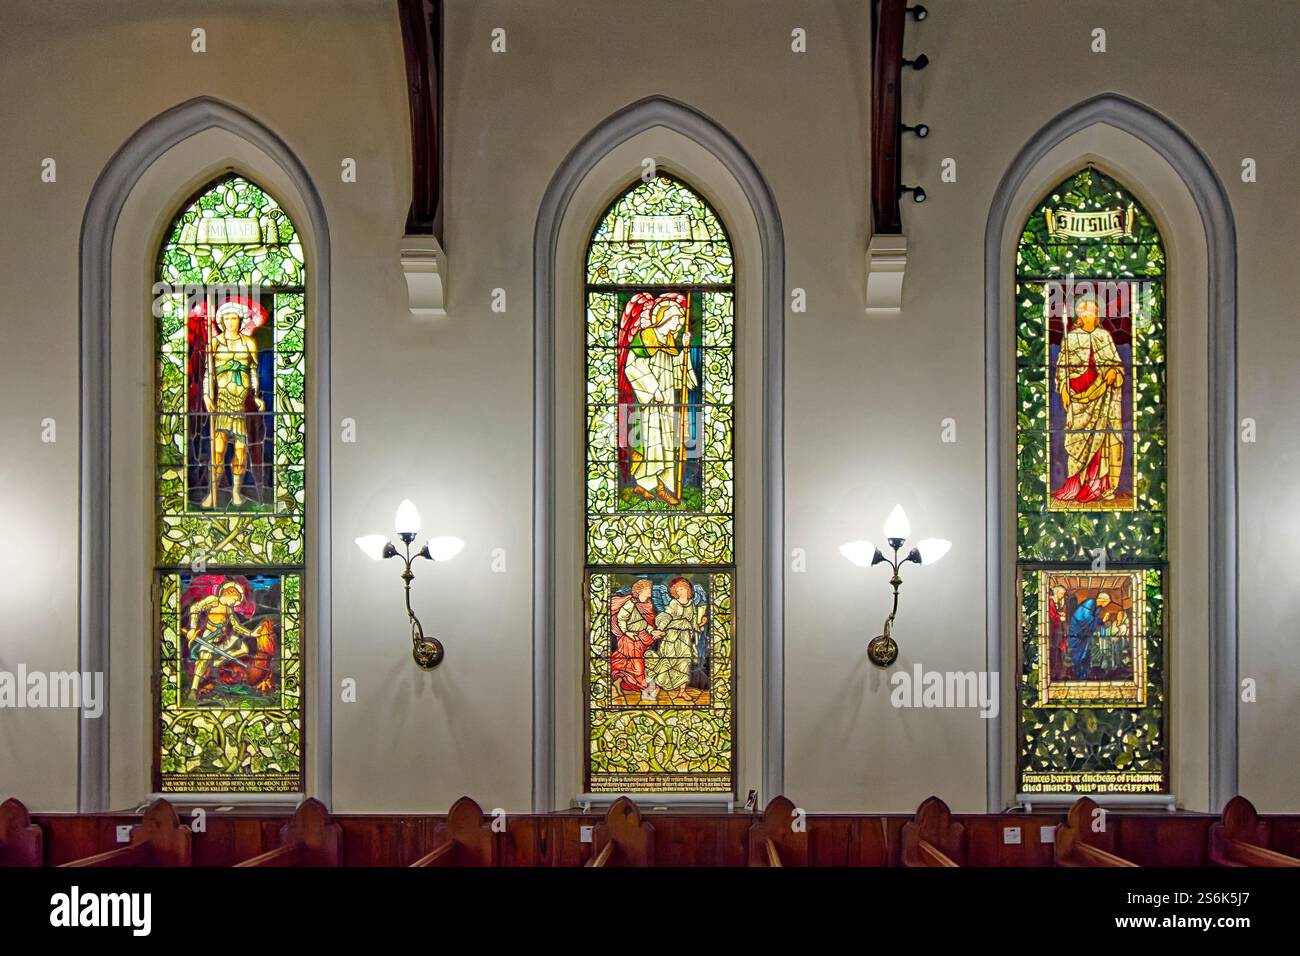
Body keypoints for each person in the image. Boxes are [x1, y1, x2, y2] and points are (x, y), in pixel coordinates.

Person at [617, 292, 695, 505]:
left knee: (667, 443)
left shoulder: (669, 341)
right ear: (667, 318)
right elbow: (633, 366)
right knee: (651, 443)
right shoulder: (645, 337)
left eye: (680, 320)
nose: (679, 325)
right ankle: (644, 484)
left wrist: (684, 350)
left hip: (667, 401)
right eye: (677, 320)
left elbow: (676, 368)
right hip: (649, 404)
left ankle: (661, 486)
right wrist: (653, 389)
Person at [1054, 295, 1125, 504]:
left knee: (1101, 440)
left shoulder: (1104, 336)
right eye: (1086, 311)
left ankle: (1096, 485)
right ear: (1079, 315)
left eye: (1093, 311)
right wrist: (1065, 389)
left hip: (1102, 397)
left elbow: (1117, 366)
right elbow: (1061, 370)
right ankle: (1074, 485)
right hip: (1078, 399)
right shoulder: (1071, 338)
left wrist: (1114, 373)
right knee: (1077, 439)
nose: (1090, 315)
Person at [201, 300, 264, 508]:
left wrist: (256, 395)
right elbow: (209, 373)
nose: (230, 322)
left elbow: (253, 371)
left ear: (240, 320)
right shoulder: (215, 343)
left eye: (234, 318)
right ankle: (212, 493)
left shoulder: (248, 343)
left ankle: (236, 492)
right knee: (217, 450)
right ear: (221, 321)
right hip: (222, 403)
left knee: (240, 451)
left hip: (240, 405)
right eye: (226, 318)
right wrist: (207, 396)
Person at [647, 578, 700, 698]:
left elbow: (692, 621)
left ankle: (682, 691)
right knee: (668, 661)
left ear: (687, 589)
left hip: (685, 636)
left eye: (681, 589)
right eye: (677, 590)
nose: (680, 592)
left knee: (684, 662)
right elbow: (667, 616)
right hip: (672, 636)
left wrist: (700, 624)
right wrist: (660, 630)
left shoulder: (691, 604)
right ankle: (657, 689)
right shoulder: (674, 603)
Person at [610, 579, 661, 693]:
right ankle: (647, 689)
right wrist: (627, 632)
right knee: (637, 665)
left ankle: (618, 681)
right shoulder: (630, 604)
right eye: (647, 588)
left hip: (641, 637)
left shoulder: (648, 604)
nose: (650, 590)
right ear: (640, 590)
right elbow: (621, 619)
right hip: (629, 638)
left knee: (630, 663)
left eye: (650, 588)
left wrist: (652, 632)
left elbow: (645, 623)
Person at [1067, 591, 1112, 680]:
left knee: (1086, 655)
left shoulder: (1097, 607)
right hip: (1077, 633)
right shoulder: (1090, 602)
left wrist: (1102, 621)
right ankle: (1077, 675)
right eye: (1107, 603)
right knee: (1078, 655)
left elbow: (1092, 619)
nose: (1107, 605)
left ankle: (1084, 674)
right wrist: (1099, 620)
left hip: (1084, 635)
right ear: (1103, 600)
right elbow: (1084, 618)